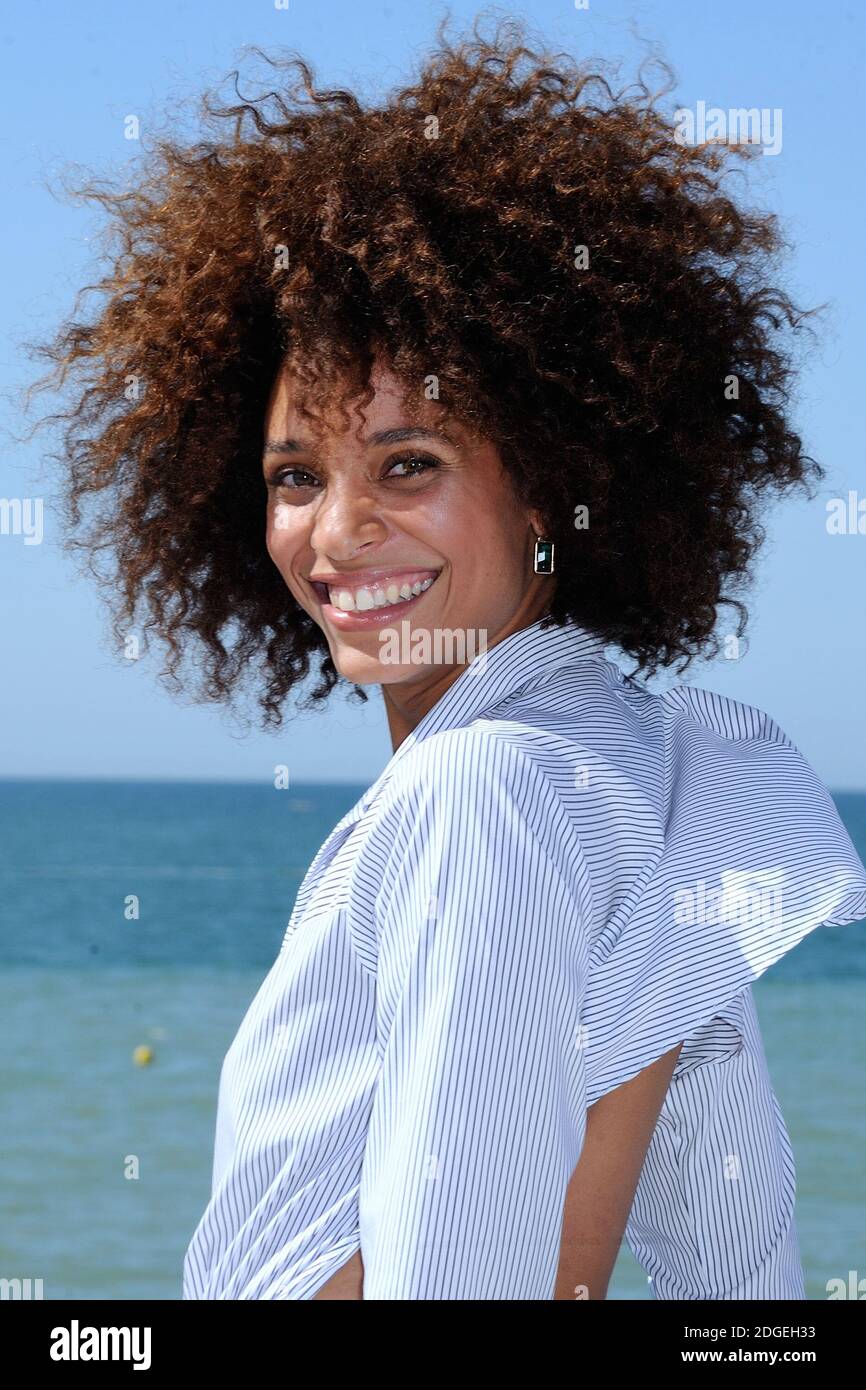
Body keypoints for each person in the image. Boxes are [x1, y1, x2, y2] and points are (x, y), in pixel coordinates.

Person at [26, 18, 866, 1299]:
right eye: (296, 475)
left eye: (408, 462)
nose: (340, 527)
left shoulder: (488, 793)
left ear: (548, 485)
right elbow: (738, 1281)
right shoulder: (654, 772)